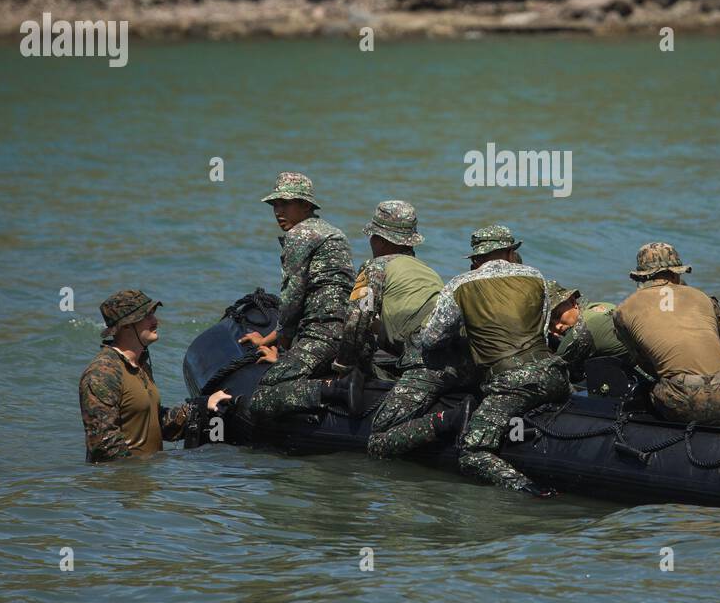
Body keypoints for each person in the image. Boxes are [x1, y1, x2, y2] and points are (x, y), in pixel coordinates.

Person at [419, 225, 570, 496]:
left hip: (512, 384)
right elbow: (541, 329)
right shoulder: (536, 277)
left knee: (472, 453)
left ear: (476, 259)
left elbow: (431, 339)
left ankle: (531, 491)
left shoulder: (461, 284)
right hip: (555, 374)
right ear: (511, 252)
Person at [341, 201, 476, 458]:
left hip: (429, 363)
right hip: (465, 362)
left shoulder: (376, 267)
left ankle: (448, 420)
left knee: (377, 440)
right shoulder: (428, 272)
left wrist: (343, 366)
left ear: (379, 240)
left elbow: (356, 321)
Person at [612, 242, 720, 425]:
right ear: (676, 273)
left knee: (648, 390)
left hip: (685, 402)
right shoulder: (702, 297)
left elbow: (644, 362)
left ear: (641, 277)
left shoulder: (622, 311)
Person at [242, 172, 359, 423]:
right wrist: (270, 340)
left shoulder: (300, 235)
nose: (277, 211)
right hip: (343, 332)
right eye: (275, 204)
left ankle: (334, 391)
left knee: (261, 398)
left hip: (323, 334)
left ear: (306, 205)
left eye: (285, 203)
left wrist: (280, 346)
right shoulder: (330, 231)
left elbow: (292, 296)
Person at [79, 289, 229, 462]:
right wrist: (140, 474)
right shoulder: (102, 373)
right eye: (147, 316)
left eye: (153, 314)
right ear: (126, 325)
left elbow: (157, 423)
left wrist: (201, 407)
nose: (155, 321)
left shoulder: (140, 365)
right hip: (120, 485)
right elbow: (103, 446)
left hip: (146, 481)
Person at [544, 281, 631, 384]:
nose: (557, 326)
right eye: (549, 323)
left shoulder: (582, 331)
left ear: (572, 301)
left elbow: (556, 375)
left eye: (557, 316)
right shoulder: (600, 306)